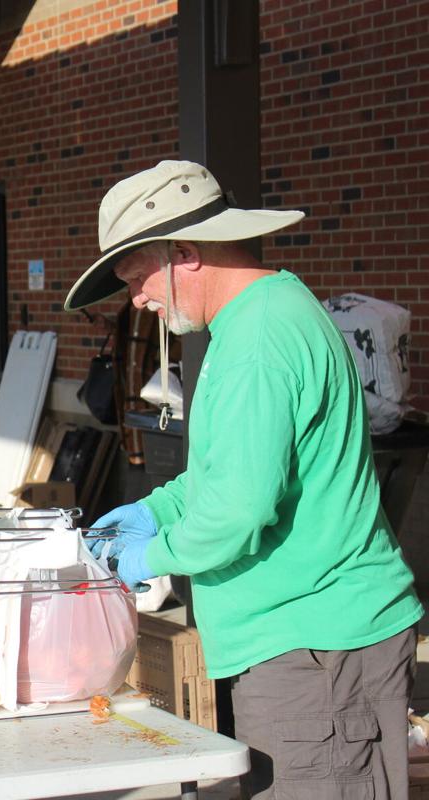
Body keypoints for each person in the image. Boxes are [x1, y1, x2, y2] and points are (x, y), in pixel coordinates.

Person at [65, 160, 422, 800]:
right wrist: (152, 510)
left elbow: (236, 512)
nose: (137, 300)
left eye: (136, 277)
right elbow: (228, 475)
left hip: (316, 643)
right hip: (303, 645)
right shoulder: (261, 316)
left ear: (185, 253)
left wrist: (147, 555)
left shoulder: (257, 339)